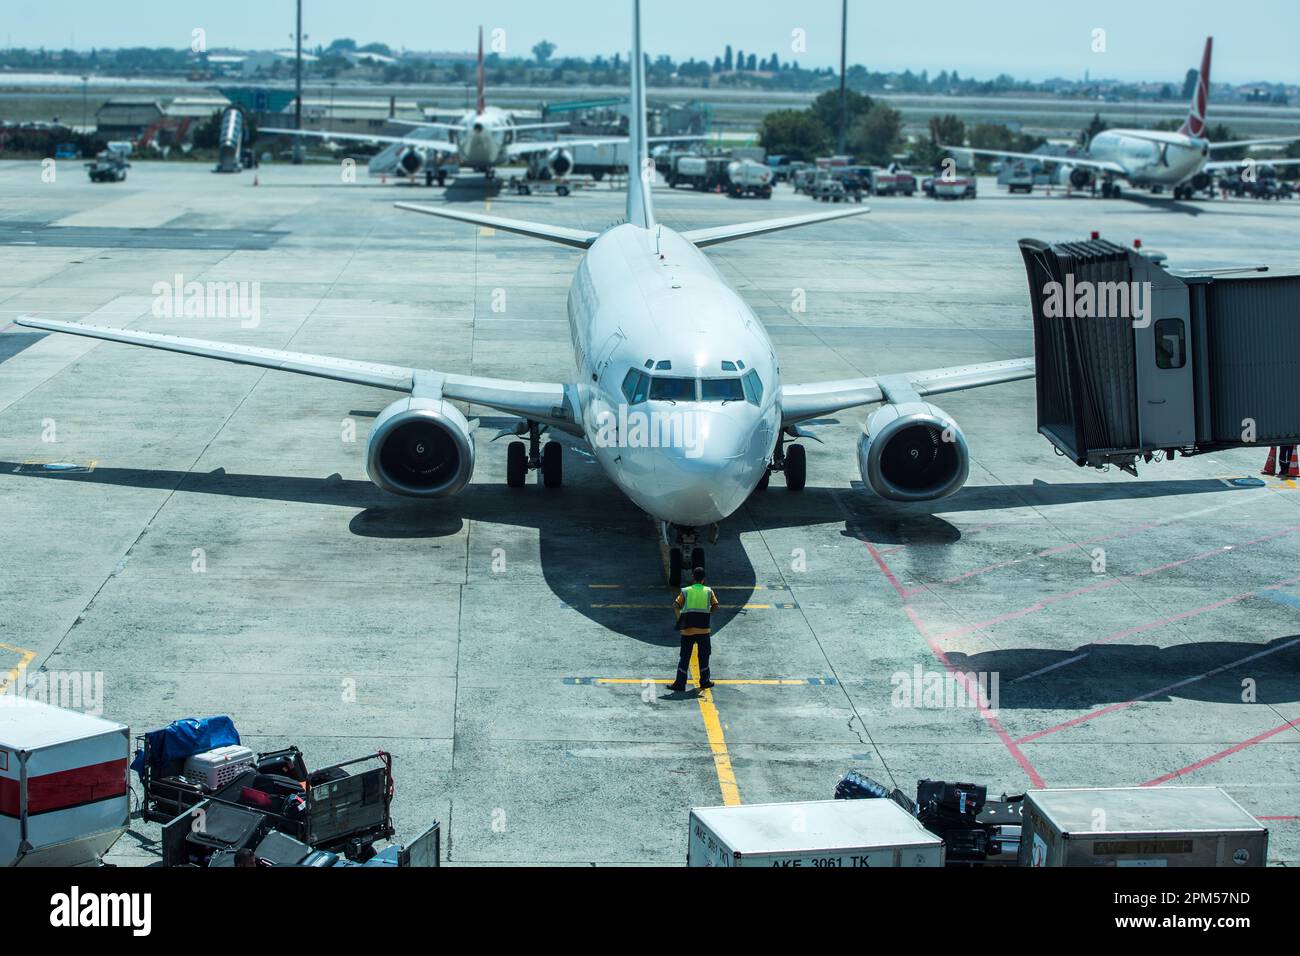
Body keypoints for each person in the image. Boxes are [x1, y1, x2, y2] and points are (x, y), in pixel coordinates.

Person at [668, 567, 719, 692]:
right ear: (703, 579)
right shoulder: (708, 591)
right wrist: (707, 613)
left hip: (687, 631)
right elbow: (716, 606)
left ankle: (680, 684)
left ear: (693, 577)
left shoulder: (686, 591)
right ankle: (705, 681)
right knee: (704, 656)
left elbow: (675, 605)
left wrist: (681, 617)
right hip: (703, 631)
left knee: (685, 657)